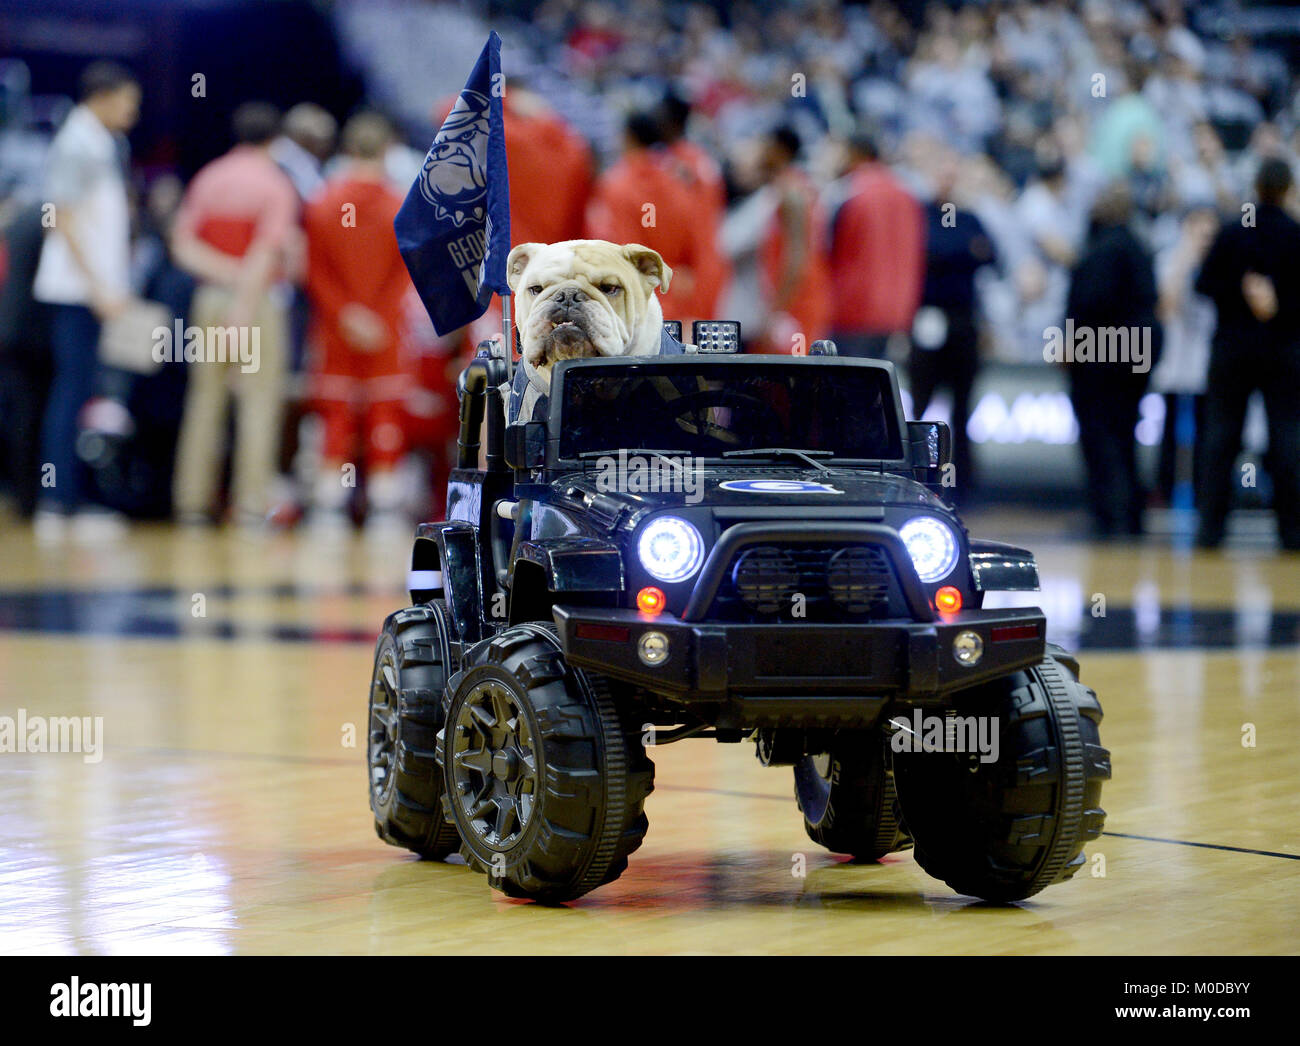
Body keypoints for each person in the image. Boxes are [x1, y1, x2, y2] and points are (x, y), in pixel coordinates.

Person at [170, 102, 299, 525]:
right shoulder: (275, 185)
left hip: (209, 298)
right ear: (275, 140)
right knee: (259, 402)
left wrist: (224, 275)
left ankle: (191, 502)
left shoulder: (209, 178)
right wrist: (243, 300)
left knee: (204, 401)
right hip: (256, 302)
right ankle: (250, 505)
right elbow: (266, 250)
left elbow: (182, 245)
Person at [29, 61, 141, 540]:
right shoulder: (76, 142)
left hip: (94, 290)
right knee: (70, 392)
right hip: (78, 291)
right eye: (128, 103)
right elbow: (62, 216)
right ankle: (58, 500)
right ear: (103, 97)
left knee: (82, 392)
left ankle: (71, 497)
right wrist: (97, 285)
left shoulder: (105, 143)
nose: (132, 114)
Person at [302, 112, 412, 530]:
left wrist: (346, 313)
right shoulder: (399, 205)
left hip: (336, 327)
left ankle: (330, 499)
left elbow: (314, 271)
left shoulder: (323, 202)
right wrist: (378, 317)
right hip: (385, 329)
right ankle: (384, 499)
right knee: (385, 410)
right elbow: (406, 272)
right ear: (387, 150)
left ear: (348, 149)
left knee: (337, 411)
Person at [1193, 158, 1300, 550]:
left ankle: (1210, 531)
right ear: (1288, 188)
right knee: (1287, 439)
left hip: (1232, 350)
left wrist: (1241, 290)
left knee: (1221, 438)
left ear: (1255, 186)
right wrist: (1277, 302)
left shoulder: (1233, 231)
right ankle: (1292, 533)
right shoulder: (1294, 234)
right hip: (1284, 351)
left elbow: (1202, 284)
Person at [1064, 183, 1162, 538]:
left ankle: (1111, 516)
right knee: (1125, 435)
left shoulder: (1103, 250)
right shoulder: (1138, 245)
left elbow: (1091, 304)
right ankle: (1130, 516)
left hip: (1104, 354)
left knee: (1101, 436)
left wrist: (1071, 343)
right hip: (1135, 351)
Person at [910, 149, 996, 500]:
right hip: (927, 320)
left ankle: (964, 484)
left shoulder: (971, 217)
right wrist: (962, 253)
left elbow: (990, 254)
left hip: (963, 323)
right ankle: (917, 474)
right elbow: (925, 251)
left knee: (964, 407)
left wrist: (946, 255)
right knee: (921, 404)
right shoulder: (919, 215)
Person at [585, 112, 706, 328]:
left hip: (629, 299)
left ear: (629, 138)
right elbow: (696, 244)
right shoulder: (679, 182)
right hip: (674, 294)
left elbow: (605, 243)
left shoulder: (615, 184)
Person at [826, 131, 923, 359]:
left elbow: (826, 250)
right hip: (897, 311)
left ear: (854, 154)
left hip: (851, 309)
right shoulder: (907, 194)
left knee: (846, 387)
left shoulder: (847, 191)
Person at [755, 125, 831, 354]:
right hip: (801, 296)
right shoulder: (796, 186)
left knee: (788, 379)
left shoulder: (791, 192)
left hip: (798, 301)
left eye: (765, 145)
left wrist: (776, 311)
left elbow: (797, 257)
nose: (760, 152)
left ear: (780, 150)